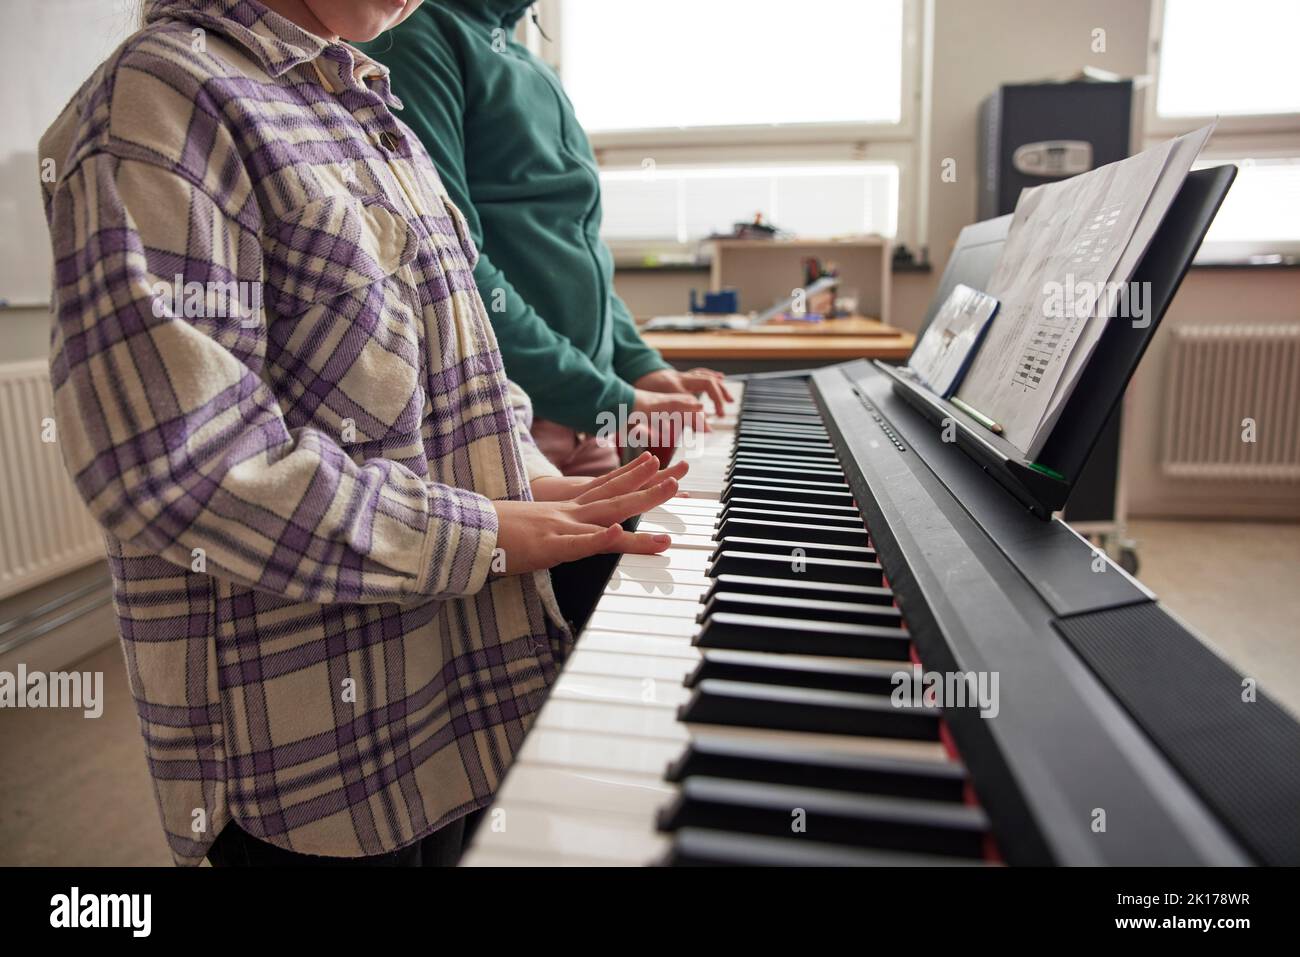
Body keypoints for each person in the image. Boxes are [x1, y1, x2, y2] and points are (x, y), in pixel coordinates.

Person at [40, 0, 686, 866]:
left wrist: (527, 478)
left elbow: (459, 364)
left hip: (455, 706)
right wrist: (486, 531)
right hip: (318, 772)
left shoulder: (363, 100)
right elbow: (181, 463)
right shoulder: (163, 99)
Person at [362, 1, 732, 476]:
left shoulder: (529, 62)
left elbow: (578, 244)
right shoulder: (417, 37)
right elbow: (452, 260)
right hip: (507, 421)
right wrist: (612, 398)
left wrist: (638, 363)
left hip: (586, 421)